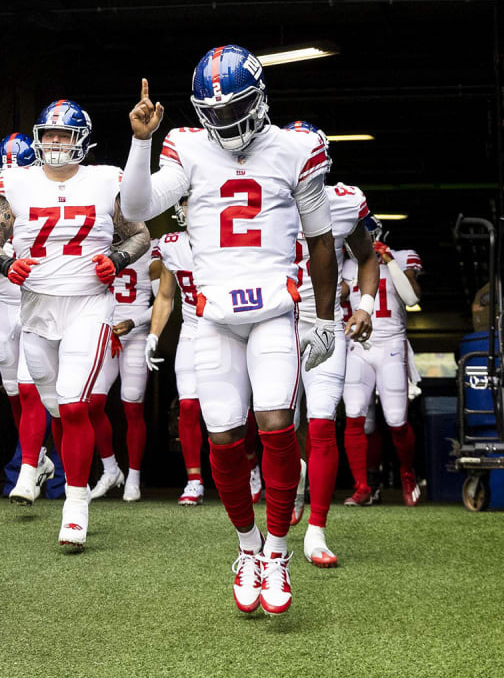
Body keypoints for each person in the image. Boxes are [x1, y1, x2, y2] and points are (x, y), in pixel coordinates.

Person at [121, 46, 340, 615]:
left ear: (261, 98)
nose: (225, 122)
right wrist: (142, 140)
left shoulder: (295, 148)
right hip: (213, 318)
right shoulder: (188, 146)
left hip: (272, 309)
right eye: (213, 112)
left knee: (274, 423)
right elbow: (136, 203)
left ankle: (277, 551)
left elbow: (319, 242)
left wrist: (322, 317)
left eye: (236, 107)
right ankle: (246, 548)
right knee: (222, 436)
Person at [0, 99, 150, 551]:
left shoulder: (103, 180)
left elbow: (139, 234)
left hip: (89, 306)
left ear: (81, 140)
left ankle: (76, 505)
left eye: (63, 135)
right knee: (54, 405)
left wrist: (116, 258)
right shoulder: (16, 183)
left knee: (74, 406)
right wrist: (3, 262)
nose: (54, 143)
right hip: (36, 308)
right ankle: (54, 468)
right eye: (48, 134)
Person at [282, 121, 381, 568]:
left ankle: (316, 530)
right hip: (272, 321)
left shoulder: (343, 202)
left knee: (322, 423)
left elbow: (368, 256)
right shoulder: (261, 197)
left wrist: (364, 304)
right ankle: (292, 488)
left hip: (323, 320)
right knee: (277, 425)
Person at [0, 133, 58, 506]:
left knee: (31, 389)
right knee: (13, 390)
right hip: (3, 304)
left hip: (36, 302)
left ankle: (28, 469)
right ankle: (38, 457)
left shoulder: (49, 191)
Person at [341, 218, 424, 506]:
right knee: (355, 416)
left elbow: (412, 296)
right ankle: (363, 486)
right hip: (359, 346)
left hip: (391, 345)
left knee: (396, 420)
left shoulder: (401, 257)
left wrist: (388, 260)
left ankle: (406, 473)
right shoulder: (347, 266)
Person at [146, 196, 207, 505]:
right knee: (188, 406)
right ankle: (194, 479)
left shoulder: (230, 237)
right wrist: (153, 335)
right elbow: (166, 296)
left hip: (228, 330)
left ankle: (249, 466)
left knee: (240, 409)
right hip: (194, 329)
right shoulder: (172, 244)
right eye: (184, 202)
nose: (189, 208)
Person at [88, 231, 155, 501]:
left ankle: (135, 477)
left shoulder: (153, 250)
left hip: (135, 334)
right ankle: (111, 468)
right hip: (105, 333)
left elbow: (164, 302)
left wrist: (134, 322)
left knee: (132, 403)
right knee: (92, 403)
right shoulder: (96, 243)